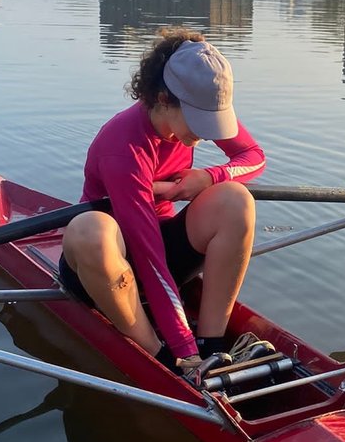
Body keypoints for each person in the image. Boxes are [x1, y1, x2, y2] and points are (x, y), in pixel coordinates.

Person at [59, 28, 270, 384]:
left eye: (211, 121)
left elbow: (254, 157)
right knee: (90, 230)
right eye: (199, 122)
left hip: (158, 254)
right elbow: (147, 254)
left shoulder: (196, 105)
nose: (205, 134)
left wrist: (209, 176)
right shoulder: (123, 146)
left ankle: (211, 343)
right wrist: (181, 350)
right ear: (162, 99)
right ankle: (161, 359)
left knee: (235, 199)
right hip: (104, 266)